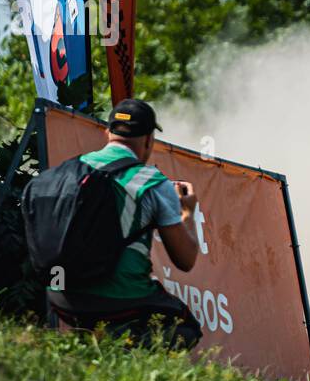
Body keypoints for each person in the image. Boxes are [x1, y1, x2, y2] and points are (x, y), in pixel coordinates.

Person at [47, 99, 204, 350]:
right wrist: (187, 212)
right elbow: (185, 260)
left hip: (60, 294)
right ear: (149, 140)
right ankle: (127, 356)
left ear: (107, 132)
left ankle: (96, 347)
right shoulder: (152, 182)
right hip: (119, 300)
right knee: (186, 328)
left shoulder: (69, 170)